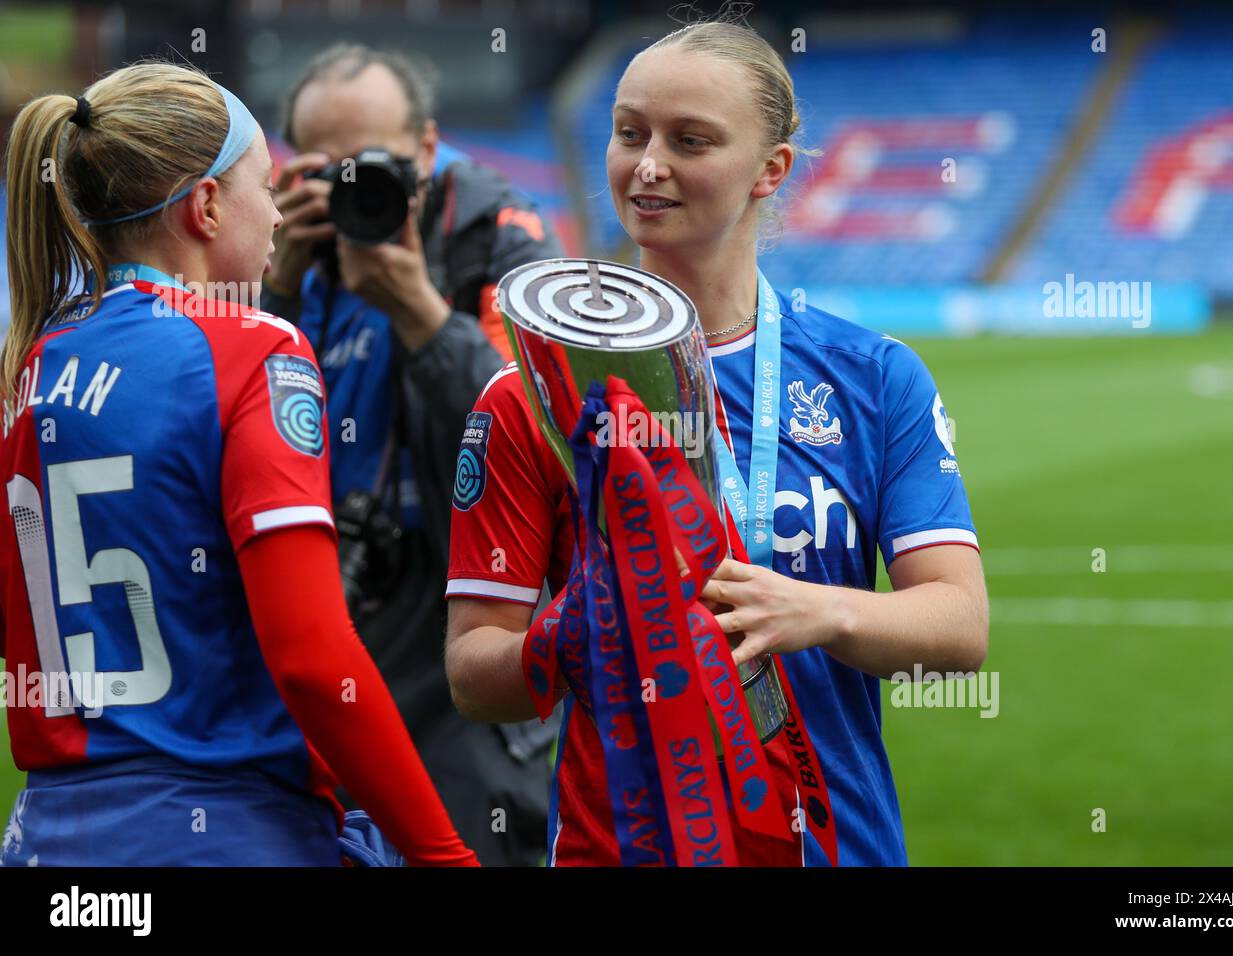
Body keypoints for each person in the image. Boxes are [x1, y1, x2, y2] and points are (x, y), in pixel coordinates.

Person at [443, 19, 989, 866]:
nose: (648, 165)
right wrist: (575, 634)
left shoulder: (875, 377)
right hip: (615, 847)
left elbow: (958, 627)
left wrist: (820, 612)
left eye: (689, 140)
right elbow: (476, 674)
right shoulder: (528, 395)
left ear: (771, 170)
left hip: (835, 845)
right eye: (630, 133)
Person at [0, 62, 476, 866]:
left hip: (48, 845)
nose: (282, 218)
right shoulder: (254, 348)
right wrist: (444, 854)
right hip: (219, 837)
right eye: (266, 185)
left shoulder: (33, 366)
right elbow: (315, 661)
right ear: (207, 205)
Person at [259, 44, 561, 866]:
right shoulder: (281, 246)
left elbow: (543, 437)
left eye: (374, 164)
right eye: (326, 165)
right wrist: (273, 292)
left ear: (427, 148)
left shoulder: (496, 239)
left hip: (458, 655)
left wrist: (422, 314)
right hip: (326, 640)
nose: (351, 189)